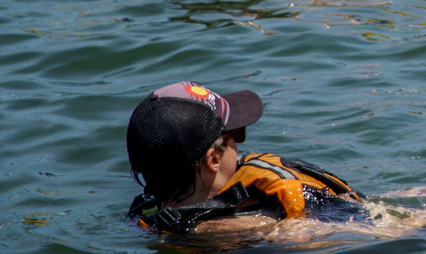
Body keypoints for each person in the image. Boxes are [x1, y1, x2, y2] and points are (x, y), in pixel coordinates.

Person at [125, 82, 368, 235]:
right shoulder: (255, 228)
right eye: (235, 135)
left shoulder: (145, 219)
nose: (241, 143)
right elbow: (374, 232)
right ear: (214, 160)